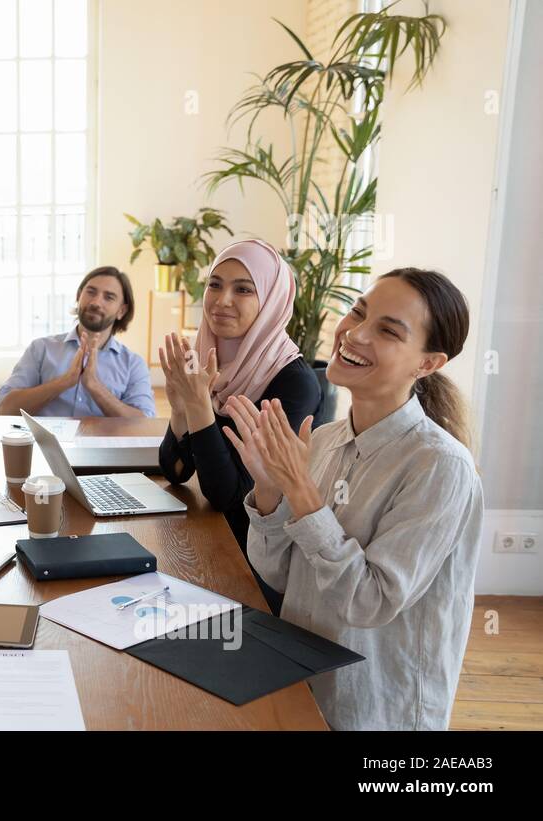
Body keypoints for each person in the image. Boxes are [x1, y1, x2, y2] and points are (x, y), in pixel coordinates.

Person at [226, 268, 482, 730]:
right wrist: (268, 492)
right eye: (358, 312)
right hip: (302, 682)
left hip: (374, 707)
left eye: (387, 330)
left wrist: (302, 494)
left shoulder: (440, 467)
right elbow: (279, 575)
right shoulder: (323, 441)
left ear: (427, 363)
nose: (355, 333)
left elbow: (368, 603)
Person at [157, 239, 320, 615]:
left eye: (244, 289)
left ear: (271, 302)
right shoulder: (208, 360)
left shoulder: (293, 384)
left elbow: (230, 497)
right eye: (215, 284)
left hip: (262, 571)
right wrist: (180, 409)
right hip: (214, 546)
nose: (222, 299)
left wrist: (199, 404)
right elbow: (176, 471)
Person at [0, 266, 154, 417]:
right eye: (91, 292)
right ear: (79, 296)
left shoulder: (133, 364)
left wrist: (94, 386)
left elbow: (143, 422)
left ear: (121, 311)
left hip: (103, 446)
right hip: (44, 445)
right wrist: (64, 382)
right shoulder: (41, 349)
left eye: (109, 297)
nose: (96, 302)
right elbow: (4, 408)